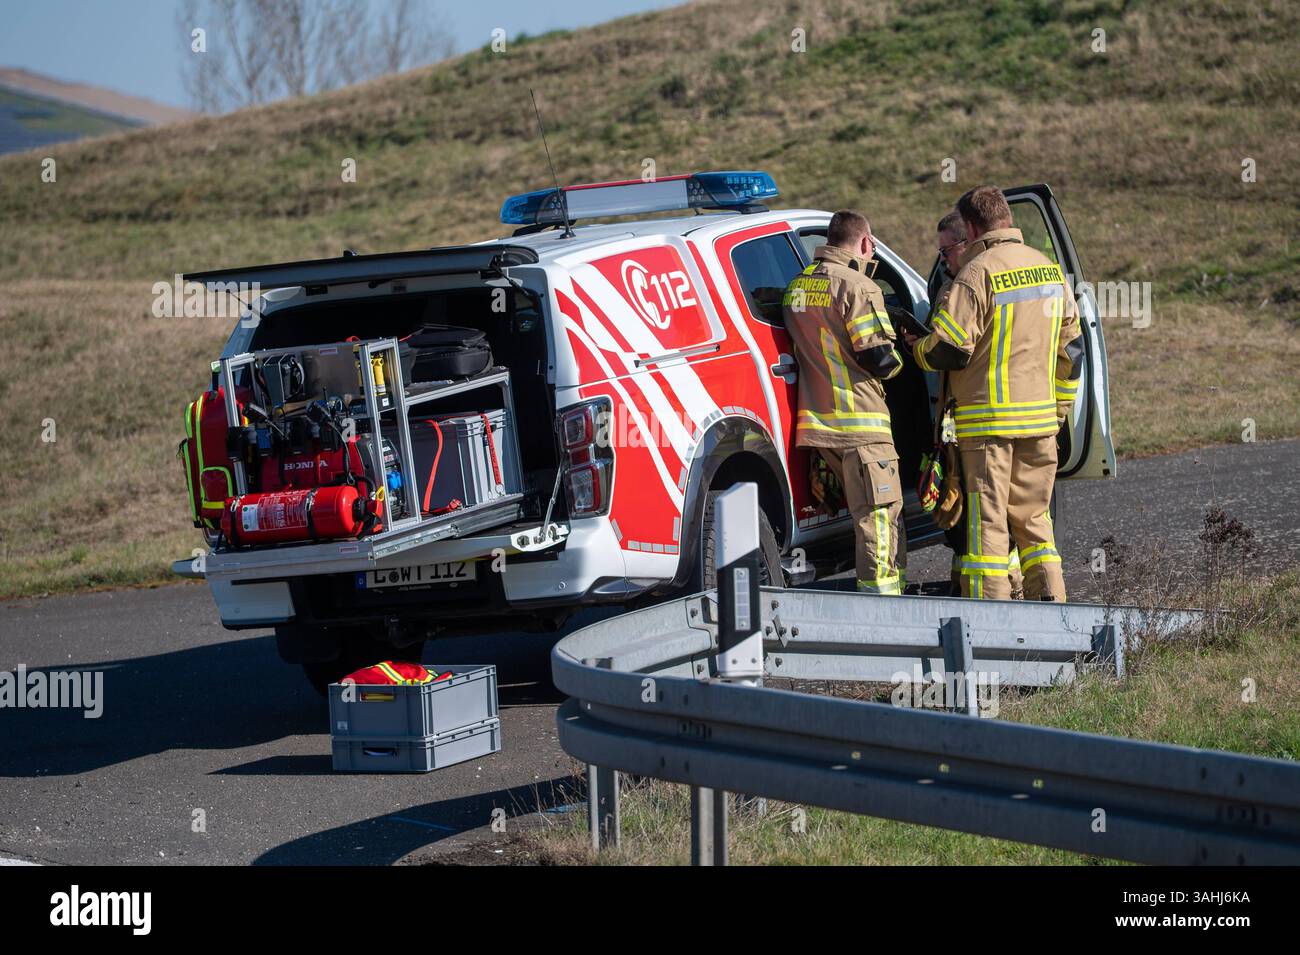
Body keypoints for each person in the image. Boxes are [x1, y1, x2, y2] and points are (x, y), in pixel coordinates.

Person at [905, 186, 1082, 600]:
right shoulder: (1050, 270)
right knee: (1037, 526)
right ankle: (1053, 610)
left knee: (987, 533)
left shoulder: (976, 274)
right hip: (1039, 427)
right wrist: (1057, 411)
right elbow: (1071, 352)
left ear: (970, 226)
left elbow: (949, 347)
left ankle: (993, 635)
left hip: (988, 430)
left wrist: (917, 350)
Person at [782, 210, 906, 595]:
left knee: (863, 518)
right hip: (863, 425)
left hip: (820, 427)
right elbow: (880, 359)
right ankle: (884, 607)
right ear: (865, 243)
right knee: (879, 520)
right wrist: (909, 353)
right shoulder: (858, 287)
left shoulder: (798, 287)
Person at [930, 211, 1024, 598]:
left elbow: (951, 351)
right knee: (977, 511)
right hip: (1016, 418)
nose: (943, 260)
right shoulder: (954, 284)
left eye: (947, 250)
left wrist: (919, 347)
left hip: (980, 418)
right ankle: (977, 584)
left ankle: (995, 598)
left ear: (968, 242)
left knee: (985, 512)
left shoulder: (966, 287)